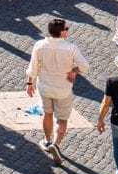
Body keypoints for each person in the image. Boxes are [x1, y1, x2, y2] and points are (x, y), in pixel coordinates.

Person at [25, 17, 90, 164]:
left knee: (47, 113)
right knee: (62, 118)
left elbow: (33, 67)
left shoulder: (40, 45)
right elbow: (85, 67)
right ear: (61, 32)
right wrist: (74, 70)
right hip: (63, 88)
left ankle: (47, 141)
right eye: (66, 29)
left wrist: (30, 83)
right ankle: (56, 143)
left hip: (45, 86)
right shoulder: (70, 47)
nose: (67, 31)